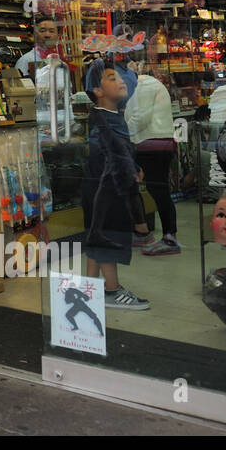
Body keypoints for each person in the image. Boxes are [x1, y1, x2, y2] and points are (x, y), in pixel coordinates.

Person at [82, 58, 153, 311]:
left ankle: (89, 288)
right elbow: (106, 152)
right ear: (98, 91)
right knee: (108, 235)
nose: (121, 81)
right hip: (106, 187)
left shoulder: (111, 114)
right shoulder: (101, 119)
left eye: (120, 77)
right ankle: (111, 290)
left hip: (105, 185)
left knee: (97, 235)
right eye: (112, 78)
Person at [124, 65, 181, 255]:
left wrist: (123, 134)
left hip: (153, 143)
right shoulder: (140, 85)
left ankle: (169, 237)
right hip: (152, 142)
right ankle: (150, 234)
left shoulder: (144, 85)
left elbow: (141, 116)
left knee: (159, 191)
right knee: (156, 190)